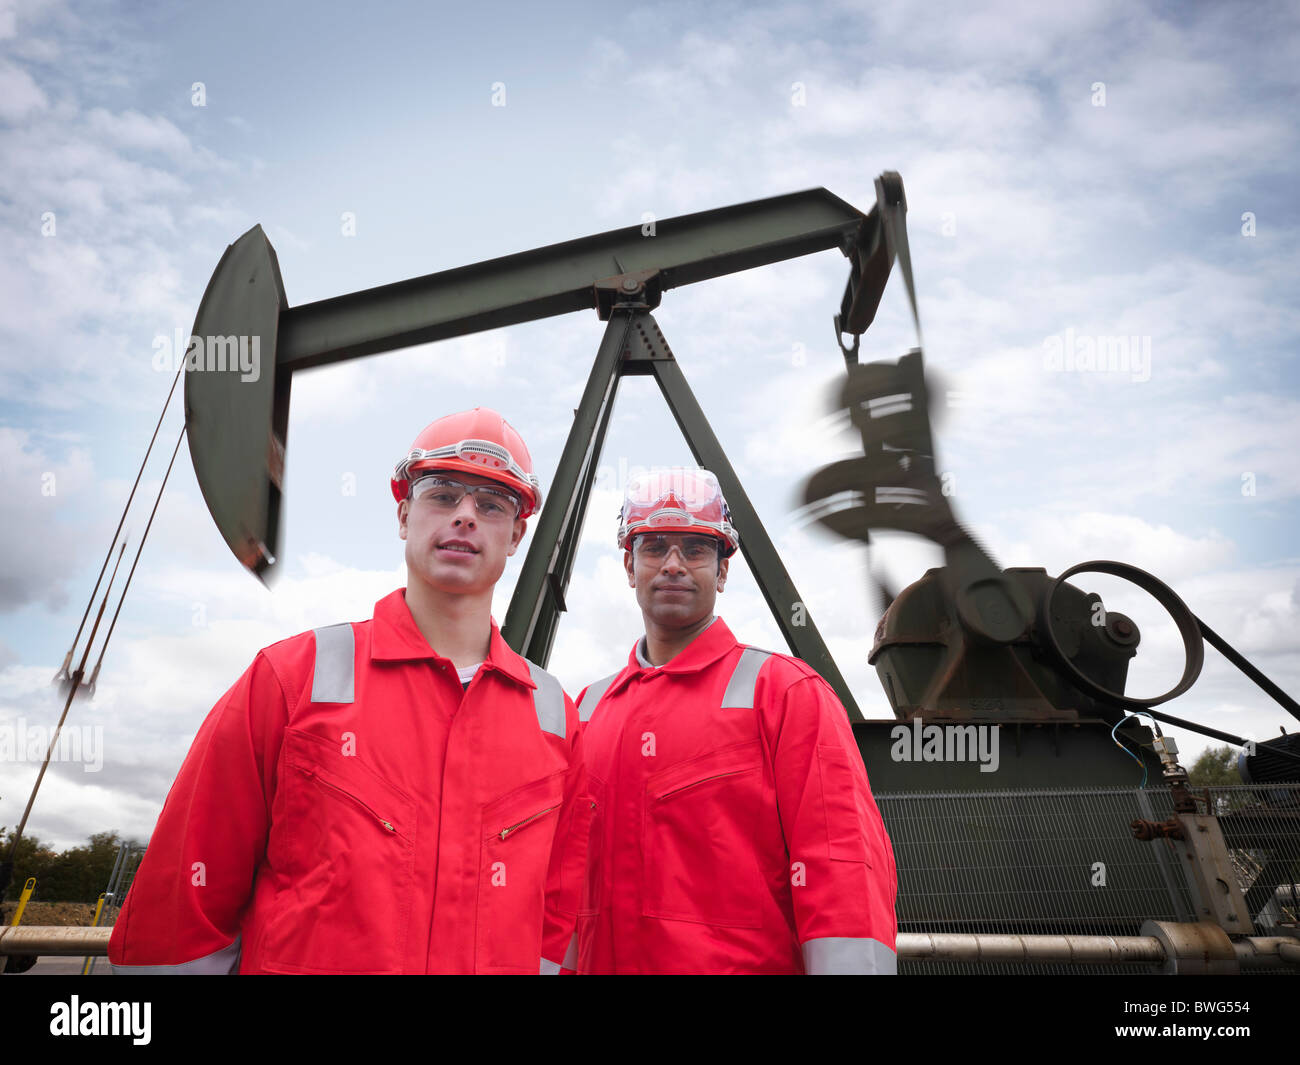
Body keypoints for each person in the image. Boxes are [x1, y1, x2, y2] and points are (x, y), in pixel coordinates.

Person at [108, 408, 586, 974]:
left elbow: (555, 919)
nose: (464, 517)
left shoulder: (554, 715)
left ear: (515, 536)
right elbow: (186, 896)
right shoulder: (293, 678)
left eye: (490, 504)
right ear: (404, 515)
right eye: (443, 495)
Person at [572, 467, 897, 974]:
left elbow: (842, 868)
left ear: (722, 571)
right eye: (654, 547)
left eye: (696, 550)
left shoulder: (786, 694)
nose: (673, 565)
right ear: (629, 566)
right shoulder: (587, 713)